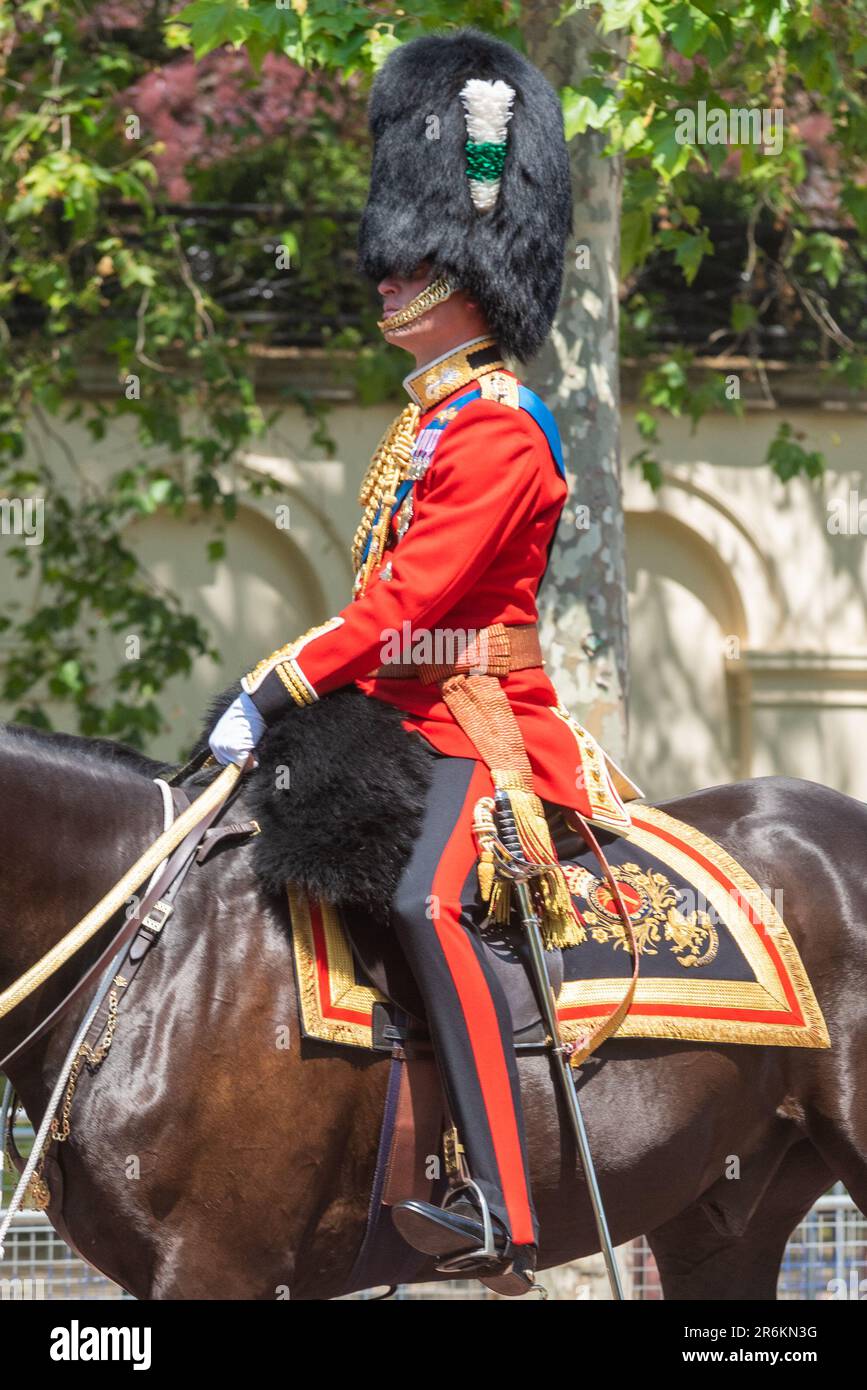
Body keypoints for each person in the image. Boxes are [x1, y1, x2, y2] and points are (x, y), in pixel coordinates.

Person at [209, 27, 643, 1296]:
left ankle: (504, 1207)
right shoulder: (433, 417)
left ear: (472, 275)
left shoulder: (500, 429)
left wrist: (278, 682)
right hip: (401, 710)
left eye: (416, 266)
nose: (388, 283)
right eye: (389, 263)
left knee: (421, 902)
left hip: (479, 721)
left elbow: (412, 606)